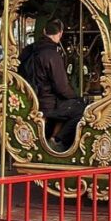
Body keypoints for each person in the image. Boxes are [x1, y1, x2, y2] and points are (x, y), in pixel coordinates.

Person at [21, 19, 86, 151]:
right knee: (82, 109)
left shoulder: (28, 50)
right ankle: (57, 141)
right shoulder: (52, 55)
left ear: (44, 31)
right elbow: (61, 87)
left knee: (69, 104)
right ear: (60, 34)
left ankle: (53, 137)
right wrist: (76, 97)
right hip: (46, 103)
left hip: (28, 99)